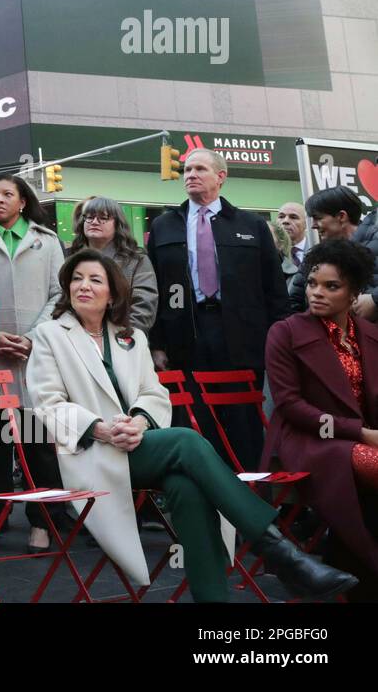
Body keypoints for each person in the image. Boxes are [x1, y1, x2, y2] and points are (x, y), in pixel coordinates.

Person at [26, 248, 356, 602]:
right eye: (76, 279)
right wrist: (101, 428)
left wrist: (138, 422)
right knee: (186, 441)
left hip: (140, 446)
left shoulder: (130, 336)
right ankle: (280, 552)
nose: (83, 286)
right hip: (93, 453)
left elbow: (153, 393)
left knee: (188, 488)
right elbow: (47, 403)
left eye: (95, 279)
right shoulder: (50, 334)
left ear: (112, 294)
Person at [146, 149, 289, 470]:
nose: (190, 175)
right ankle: (206, 498)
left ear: (220, 177)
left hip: (243, 338)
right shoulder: (165, 226)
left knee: (245, 424)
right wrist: (155, 343)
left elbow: (275, 289)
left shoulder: (251, 225)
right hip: (185, 337)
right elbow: (153, 289)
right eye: (186, 169)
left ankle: (252, 505)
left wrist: (278, 340)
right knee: (197, 424)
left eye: (199, 169)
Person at [264, 239, 378, 600]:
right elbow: (290, 405)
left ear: (354, 293)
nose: (317, 293)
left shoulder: (371, 335)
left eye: (332, 286)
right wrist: (359, 432)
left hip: (362, 437)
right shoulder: (285, 332)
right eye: (313, 283)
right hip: (308, 440)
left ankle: (355, 574)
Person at [0, 173, 65, 550]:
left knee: (37, 441)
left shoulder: (48, 241)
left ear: (23, 201)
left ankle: (42, 521)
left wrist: (31, 337)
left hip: (34, 355)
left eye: (8, 194)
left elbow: (59, 294)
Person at [68, 195, 158, 331]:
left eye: (103, 217)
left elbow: (144, 304)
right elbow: (59, 300)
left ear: (118, 224)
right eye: (89, 217)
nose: (94, 222)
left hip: (122, 338)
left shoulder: (136, 260)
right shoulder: (69, 257)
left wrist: (124, 335)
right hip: (72, 337)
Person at [288, 187, 378, 315]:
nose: (313, 225)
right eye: (313, 284)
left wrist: (374, 299)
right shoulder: (316, 256)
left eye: (317, 218)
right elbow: (293, 301)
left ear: (341, 216)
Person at [277, 202, 310, 270]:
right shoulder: (269, 251)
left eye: (293, 217)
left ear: (306, 223)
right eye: (281, 217)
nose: (285, 221)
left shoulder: (316, 248)